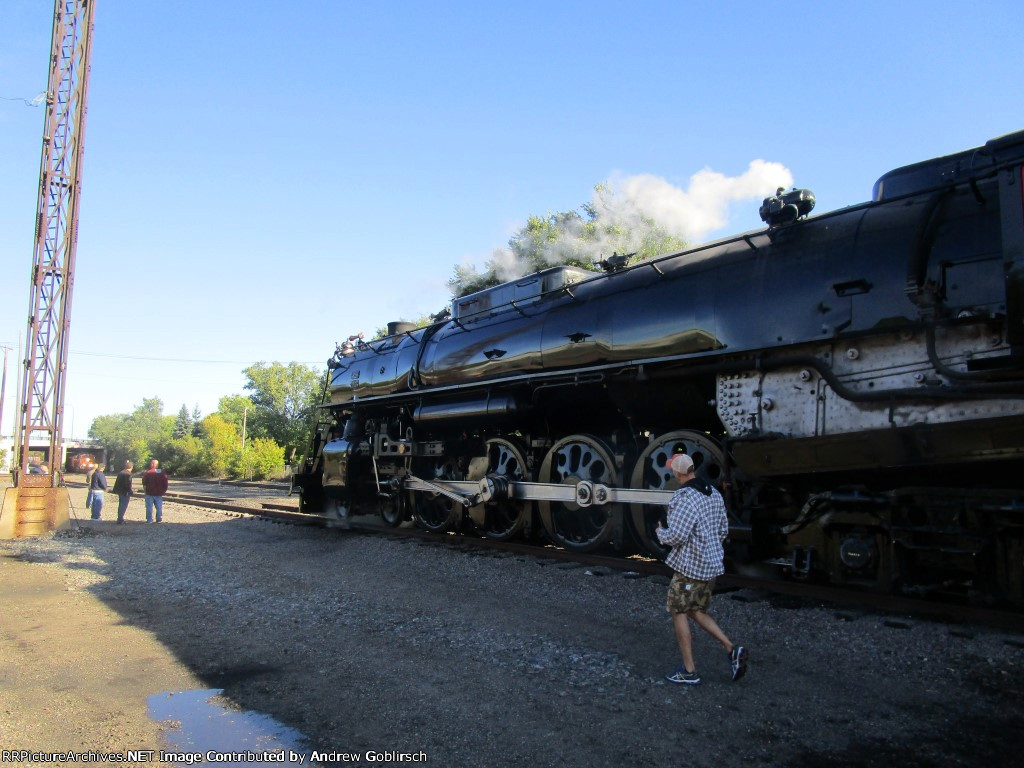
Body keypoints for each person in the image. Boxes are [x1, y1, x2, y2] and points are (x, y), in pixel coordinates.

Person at [656, 453, 748, 685]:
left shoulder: (685, 496)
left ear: (678, 473)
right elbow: (723, 530)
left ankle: (689, 671)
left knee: (678, 610)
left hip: (691, 567)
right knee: (695, 610)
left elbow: (677, 535)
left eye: (673, 471)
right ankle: (731, 649)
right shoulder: (714, 494)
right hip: (712, 565)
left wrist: (660, 533)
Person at [142, 459, 168, 523]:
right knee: (159, 507)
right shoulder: (161, 472)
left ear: (153, 464)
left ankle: (149, 520)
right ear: (157, 465)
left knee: (149, 507)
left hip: (149, 492)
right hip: (159, 493)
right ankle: (159, 519)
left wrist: (145, 492)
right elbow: (165, 483)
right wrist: (163, 491)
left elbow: (144, 483)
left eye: (151, 463)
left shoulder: (148, 472)